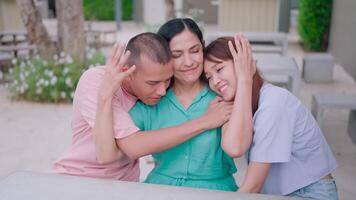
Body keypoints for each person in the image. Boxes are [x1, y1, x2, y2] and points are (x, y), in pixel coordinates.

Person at [53, 32, 232, 181]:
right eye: (153, 83)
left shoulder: (151, 95)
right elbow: (111, 154)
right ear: (127, 73)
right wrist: (205, 122)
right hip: (78, 178)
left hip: (125, 185)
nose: (162, 91)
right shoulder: (98, 81)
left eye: (167, 80)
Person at [123, 18, 253, 191]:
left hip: (214, 192)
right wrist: (205, 121)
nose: (189, 62)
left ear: (203, 48)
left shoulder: (221, 94)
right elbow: (126, 148)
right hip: (158, 190)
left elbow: (236, 147)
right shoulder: (152, 99)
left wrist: (245, 79)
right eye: (177, 55)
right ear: (164, 58)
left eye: (194, 50)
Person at [204, 35, 339, 199]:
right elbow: (234, 147)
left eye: (219, 69)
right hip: (280, 193)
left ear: (244, 64)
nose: (215, 81)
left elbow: (253, 186)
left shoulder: (273, 104)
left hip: (310, 193)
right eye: (208, 77)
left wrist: (245, 78)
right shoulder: (241, 103)